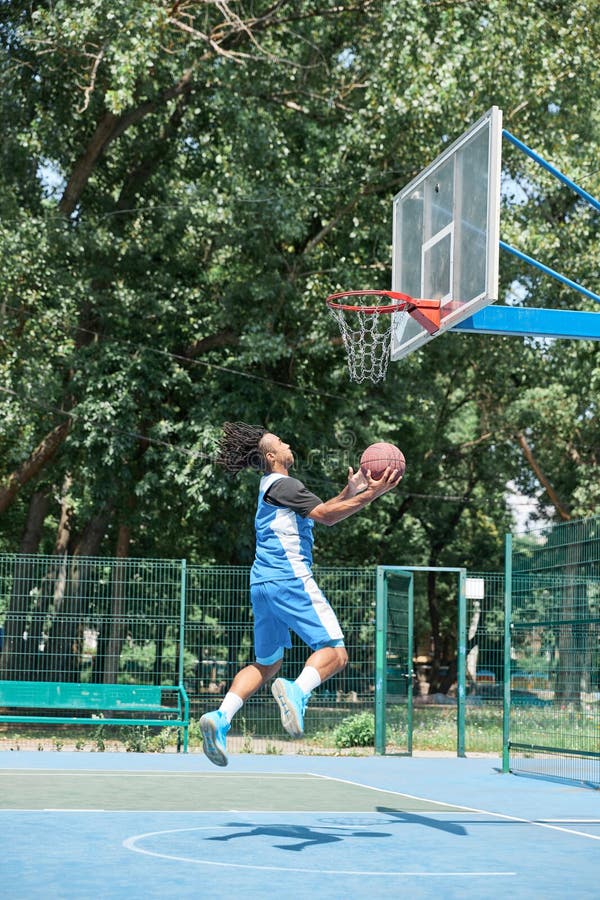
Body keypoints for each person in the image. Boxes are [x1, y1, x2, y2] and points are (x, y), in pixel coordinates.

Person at [199, 421, 402, 766]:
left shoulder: (274, 487)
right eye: (280, 440)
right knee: (336, 653)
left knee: (267, 663)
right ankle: (297, 690)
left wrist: (350, 490)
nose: (287, 442)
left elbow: (323, 507)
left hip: (262, 584)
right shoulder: (285, 484)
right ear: (271, 455)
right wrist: (372, 494)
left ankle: (220, 718)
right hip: (289, 578)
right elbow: (326, 517)